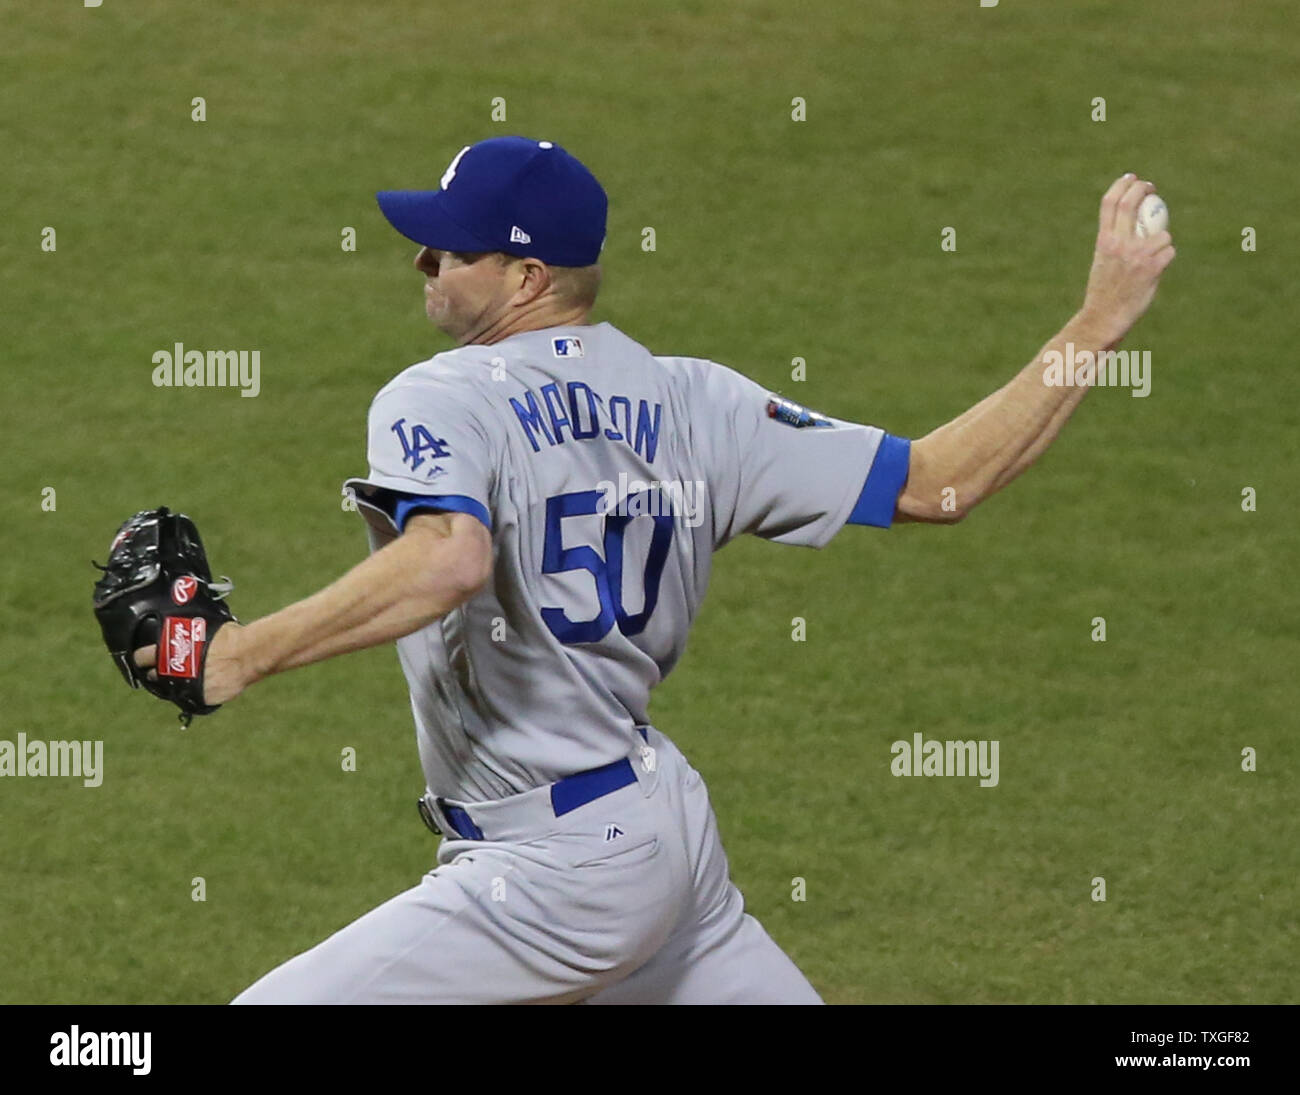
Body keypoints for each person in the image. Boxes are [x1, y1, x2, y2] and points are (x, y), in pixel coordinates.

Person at [146, 137, 1173, 1003]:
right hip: (658, 829)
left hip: (553, 873)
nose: (423, 261)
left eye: (448, 250)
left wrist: (234, 656)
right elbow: (941, 483)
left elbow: (449, 557)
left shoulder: (441, 394)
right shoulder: (700, 400)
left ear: (525, 278)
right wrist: (1097, 325)